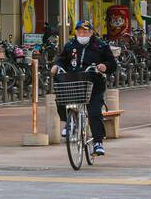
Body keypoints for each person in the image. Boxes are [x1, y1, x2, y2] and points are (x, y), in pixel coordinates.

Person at [50, 19, 116, 156]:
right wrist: (57, 66)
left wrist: (105, 66)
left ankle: (98, 142)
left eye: (86, 31)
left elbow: (112, 63)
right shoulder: (70, 46)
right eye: (80, 31)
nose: (82, 34)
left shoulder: (101, 46)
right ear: (76, 32)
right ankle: (69, 124)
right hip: (74, 82)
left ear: (91, 32)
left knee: (94, 112)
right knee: (61, 99)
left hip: (94, 84)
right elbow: (62, 59)